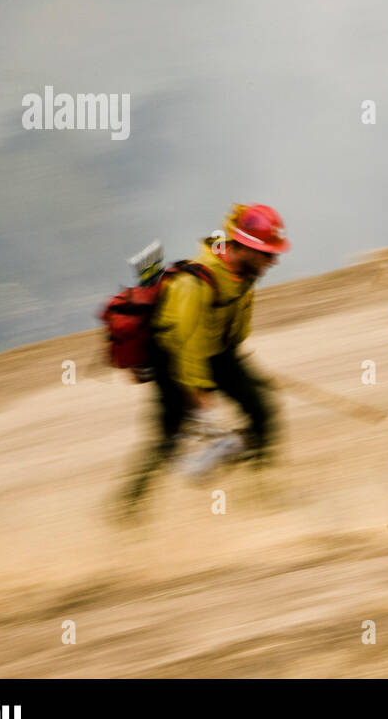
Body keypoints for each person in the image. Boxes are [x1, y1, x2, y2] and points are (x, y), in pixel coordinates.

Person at [120, 203, 290, 512]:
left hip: (218, 354)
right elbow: (186, 346)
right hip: (173, 362)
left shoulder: (244, 275)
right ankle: (127, 510)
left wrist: (241, 368)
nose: (273, 261)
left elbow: (231, 330)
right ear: (245, 247)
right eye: (267, 253)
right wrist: (199, 396)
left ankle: (262, 499)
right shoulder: (194, 283)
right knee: (167, 440)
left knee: (263, 413)